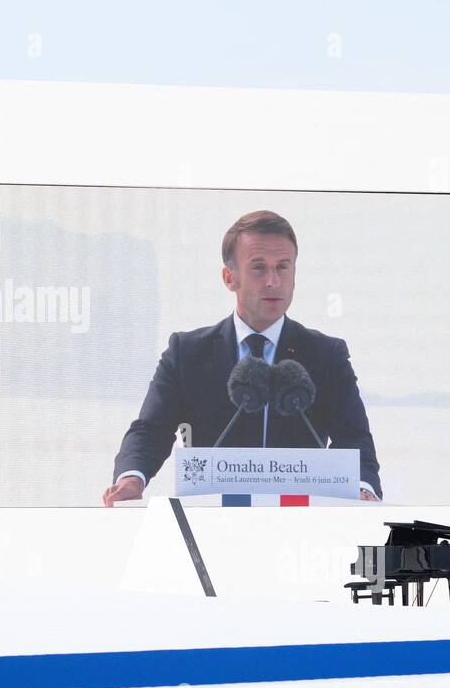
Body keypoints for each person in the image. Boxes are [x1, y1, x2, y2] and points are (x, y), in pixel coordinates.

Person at [104, 210, 382, 506]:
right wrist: (131, 478)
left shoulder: (327, 355)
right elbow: (151, 430)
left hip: (300, 525)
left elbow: (354, 438)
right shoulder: (186, 353)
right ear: (229, 277)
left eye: (283, 267)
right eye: (259, 268)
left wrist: (363, 488)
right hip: (211, 522)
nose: (273, 281)